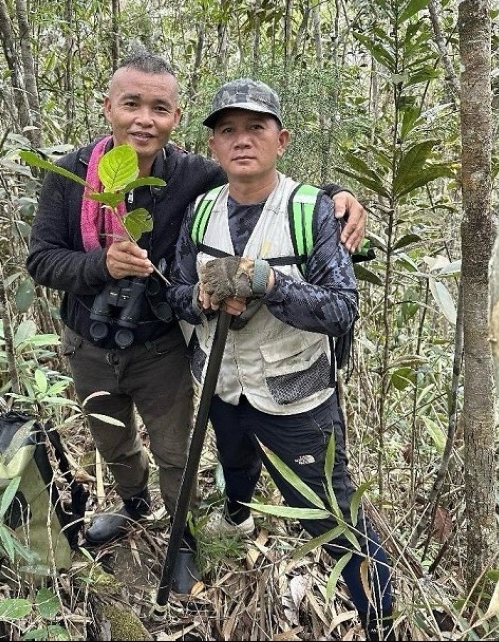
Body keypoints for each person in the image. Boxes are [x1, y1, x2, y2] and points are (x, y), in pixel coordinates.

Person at [26, 52, 368, 592]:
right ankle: (135, 505)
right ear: (107, 107)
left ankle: (183, 535)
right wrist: (101, 265)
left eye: (158, 108)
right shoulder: (71, 176)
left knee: (174, 450)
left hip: (162, 347)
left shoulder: (191, 176)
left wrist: (336, 197)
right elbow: (41, 259)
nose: (143, 118)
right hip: (88, 339)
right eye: (131, 104)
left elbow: (258, 178)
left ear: (175, 117)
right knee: (113, 443)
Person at [165, 78, 396, 640]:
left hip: (297, 400)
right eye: (227, 131)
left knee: (329, 515)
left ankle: (381, 617)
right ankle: (237, 518)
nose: (241, 140)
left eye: (255, 128)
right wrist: (198, 297)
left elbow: (342, 308)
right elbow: (172, 290)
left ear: (281, 139)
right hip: (222, 384)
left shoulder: (311, 208)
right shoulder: (199, 212)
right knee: (235, 466)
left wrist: (269, 282)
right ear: (214, 147)